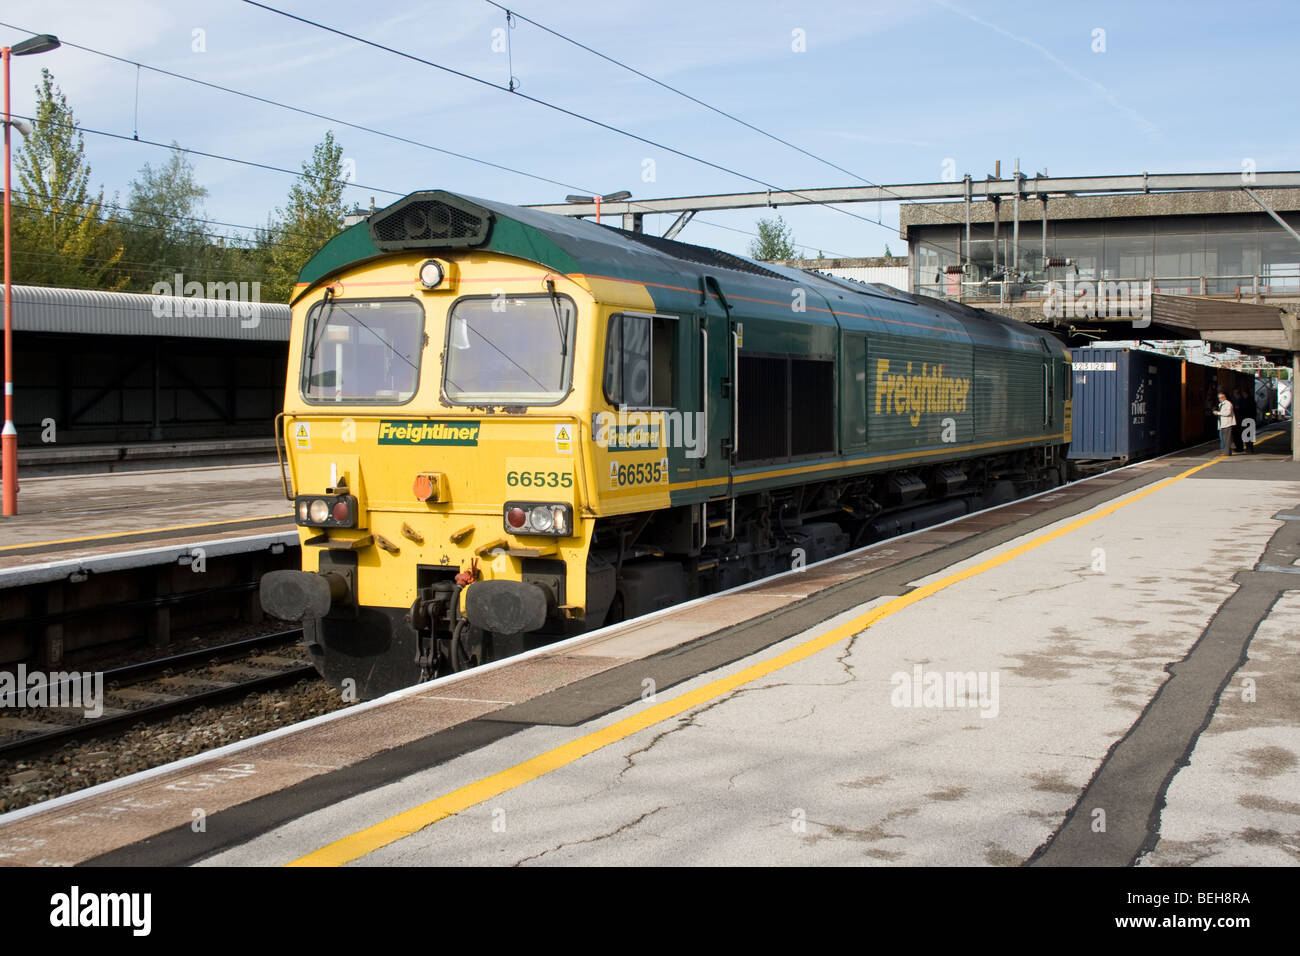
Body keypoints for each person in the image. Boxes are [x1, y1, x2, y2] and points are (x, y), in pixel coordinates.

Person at [1216, 390, 1236, 456]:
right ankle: (1227, 452)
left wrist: (1218, 413)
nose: (1219, 399)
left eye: (1221, 398)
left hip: (1227, 423)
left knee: (1227, 439)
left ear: (1224, 397)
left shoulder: (1228, 404)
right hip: (1222, 424)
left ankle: (1226, 453)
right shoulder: (1220, 404)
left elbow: (1228, 413)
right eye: (1219, 398)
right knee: (1224, 439)